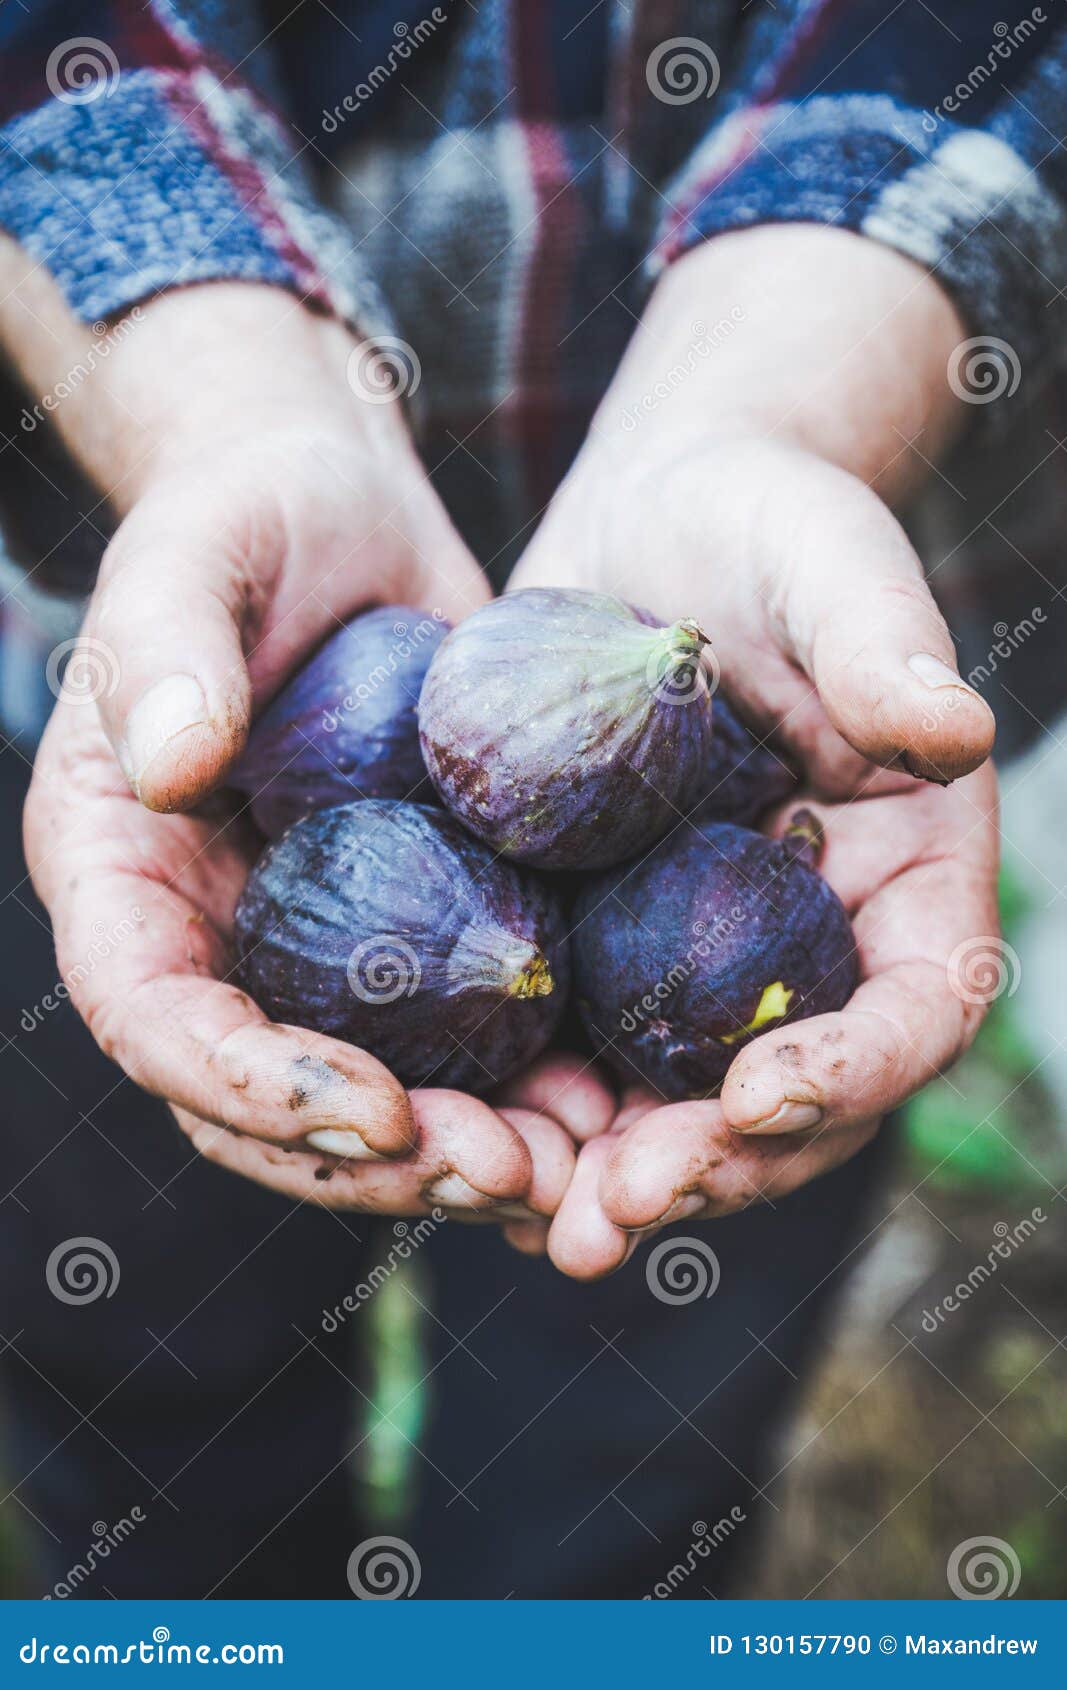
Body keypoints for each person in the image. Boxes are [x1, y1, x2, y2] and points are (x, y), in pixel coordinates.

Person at [0, 0, 1060, 1597]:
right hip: (148, 674)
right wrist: (224, 415)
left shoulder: (699, 732)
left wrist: (770, 409)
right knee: (149, 1377)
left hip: (810, 705)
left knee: (627, 1452)